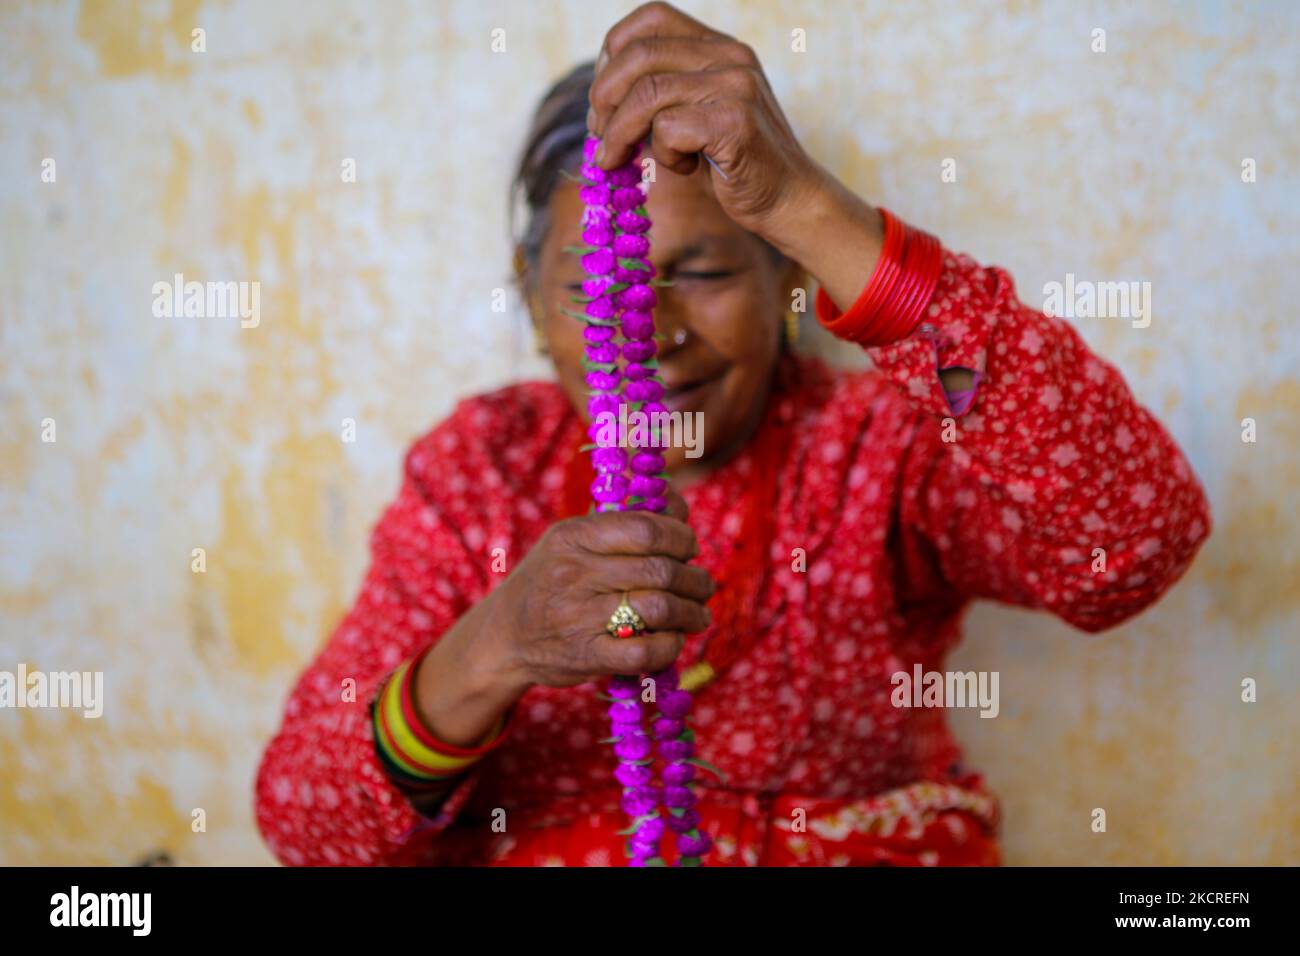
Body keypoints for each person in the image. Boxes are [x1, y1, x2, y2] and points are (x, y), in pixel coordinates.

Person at [255, 2, 1210, 866]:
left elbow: (1133, 543)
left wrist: (804, 203)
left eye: (704, 271)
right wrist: (495, 649)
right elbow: (305, 821)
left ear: (785, 280)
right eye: (596, 285)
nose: (649, 329)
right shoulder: (482, 475)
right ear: (528, 291)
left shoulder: (873, 446)